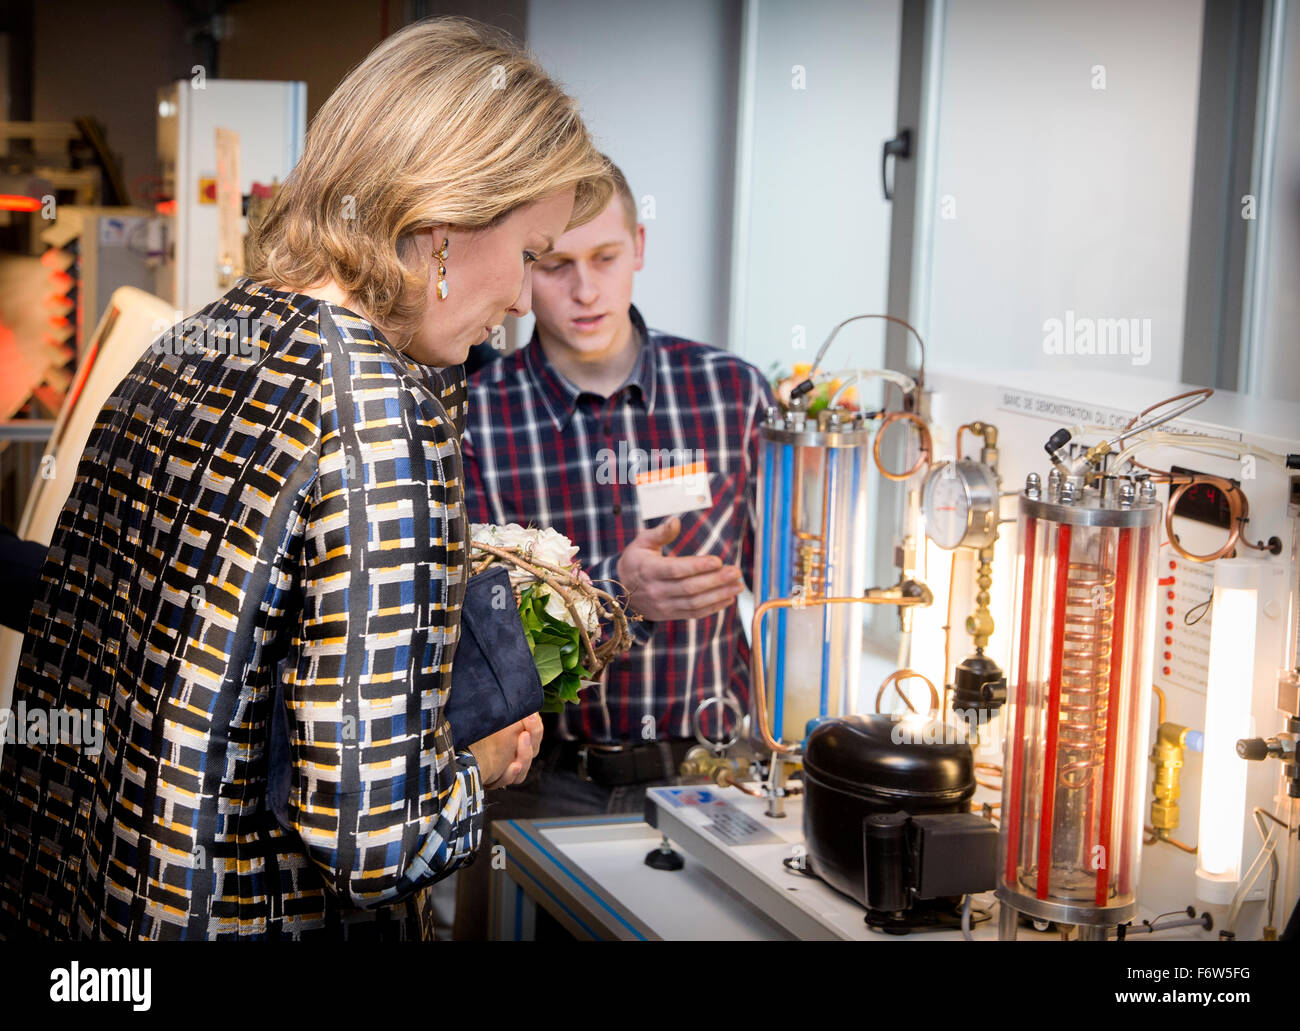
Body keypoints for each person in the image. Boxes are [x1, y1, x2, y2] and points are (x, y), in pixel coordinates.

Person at [0, 17, 611, 941]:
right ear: (444, 222)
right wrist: (477, 758)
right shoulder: (383, 410)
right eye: (531, 254)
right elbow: (372, 839)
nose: (524, 300)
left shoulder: (193, 343)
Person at [454, 159, 777, 938]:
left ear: (639, 244)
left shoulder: (732, 394)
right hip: (543, 785)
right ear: (524, 268)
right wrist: (614, 596)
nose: (586, 291)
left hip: (709, 776)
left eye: (604, 259)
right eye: (557, 265)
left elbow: (788, 592)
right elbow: (474, 643)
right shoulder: (475, 417)